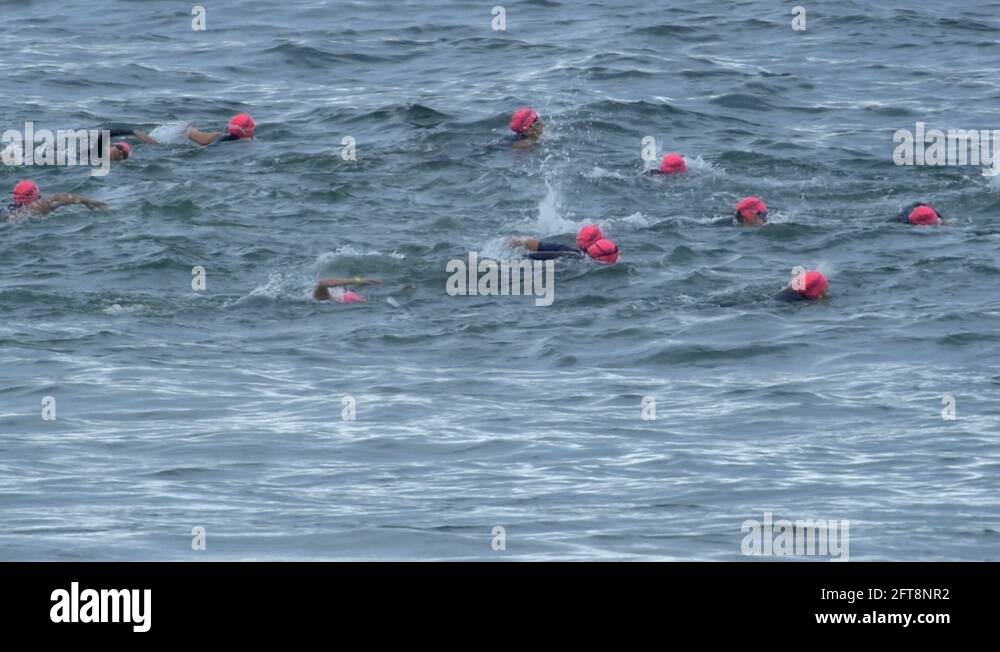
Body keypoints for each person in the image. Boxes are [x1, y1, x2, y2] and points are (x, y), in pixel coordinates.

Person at [111, 113, 256, 147]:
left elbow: (191, 134)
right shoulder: (251, 145)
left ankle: (132, 132)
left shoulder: (217, 136)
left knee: (154, 144)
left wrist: (191, 127)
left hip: (183, 153)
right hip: (195, 157)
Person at [508, 224, 620, 265]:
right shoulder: (575, 257)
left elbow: (545, 250)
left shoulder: (572, 254)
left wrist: (522, 245)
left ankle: (519, 242)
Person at [2, 180, 106, 223]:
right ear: (36, 195)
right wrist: (88, 201)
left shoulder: (8, 210)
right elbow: (62, 197)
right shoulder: (37, 206)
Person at [313, 276, 381, 302]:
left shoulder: (324, 296)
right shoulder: (322, 296)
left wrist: (358, 281)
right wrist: (357, 281)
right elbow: (323, 283)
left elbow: (324, 283)